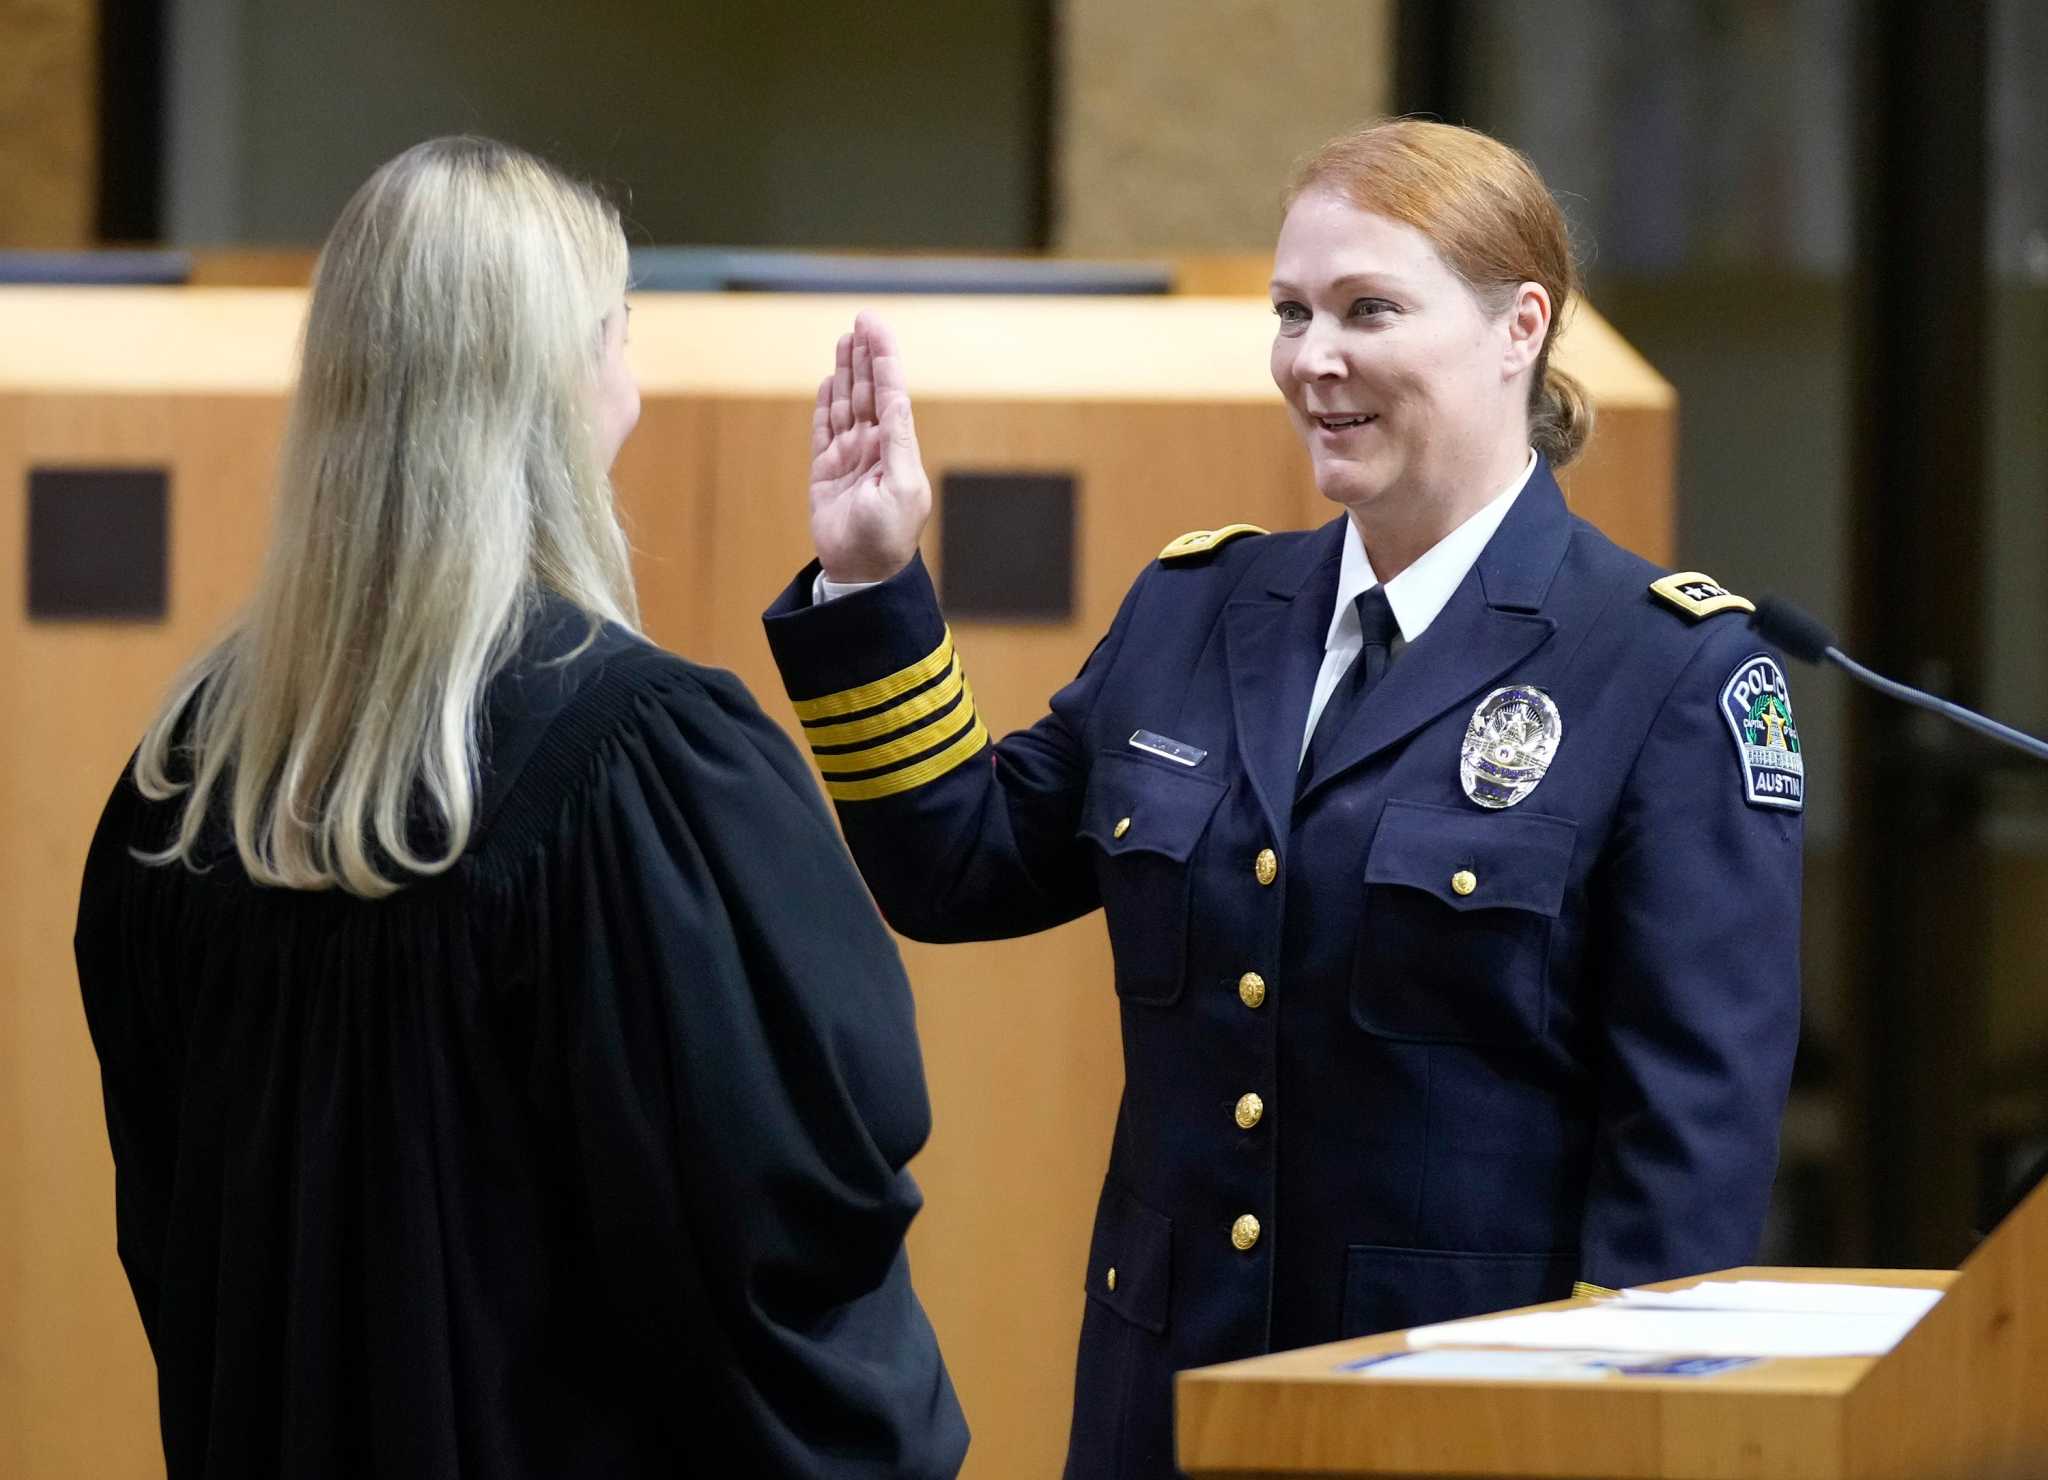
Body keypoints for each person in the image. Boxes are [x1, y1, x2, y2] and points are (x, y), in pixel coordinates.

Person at [762, 119, 1802, 1478]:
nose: (1315, 359)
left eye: (1371, 310)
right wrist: (870, 584)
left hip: (1456, 1424)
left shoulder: (1663, 670)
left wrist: (1599, 1433)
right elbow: (959, 868)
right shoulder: (1203, 609)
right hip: (1166, 1404)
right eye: (1293, 311)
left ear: (1518, 329)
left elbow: (1688, 1154)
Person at [74, 137, 968, 1480]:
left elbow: (179, 1240)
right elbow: (796, 1197)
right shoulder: (643, 765)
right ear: (558, 380)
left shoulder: (186, 787)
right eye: (620, 332)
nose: (637, 379)